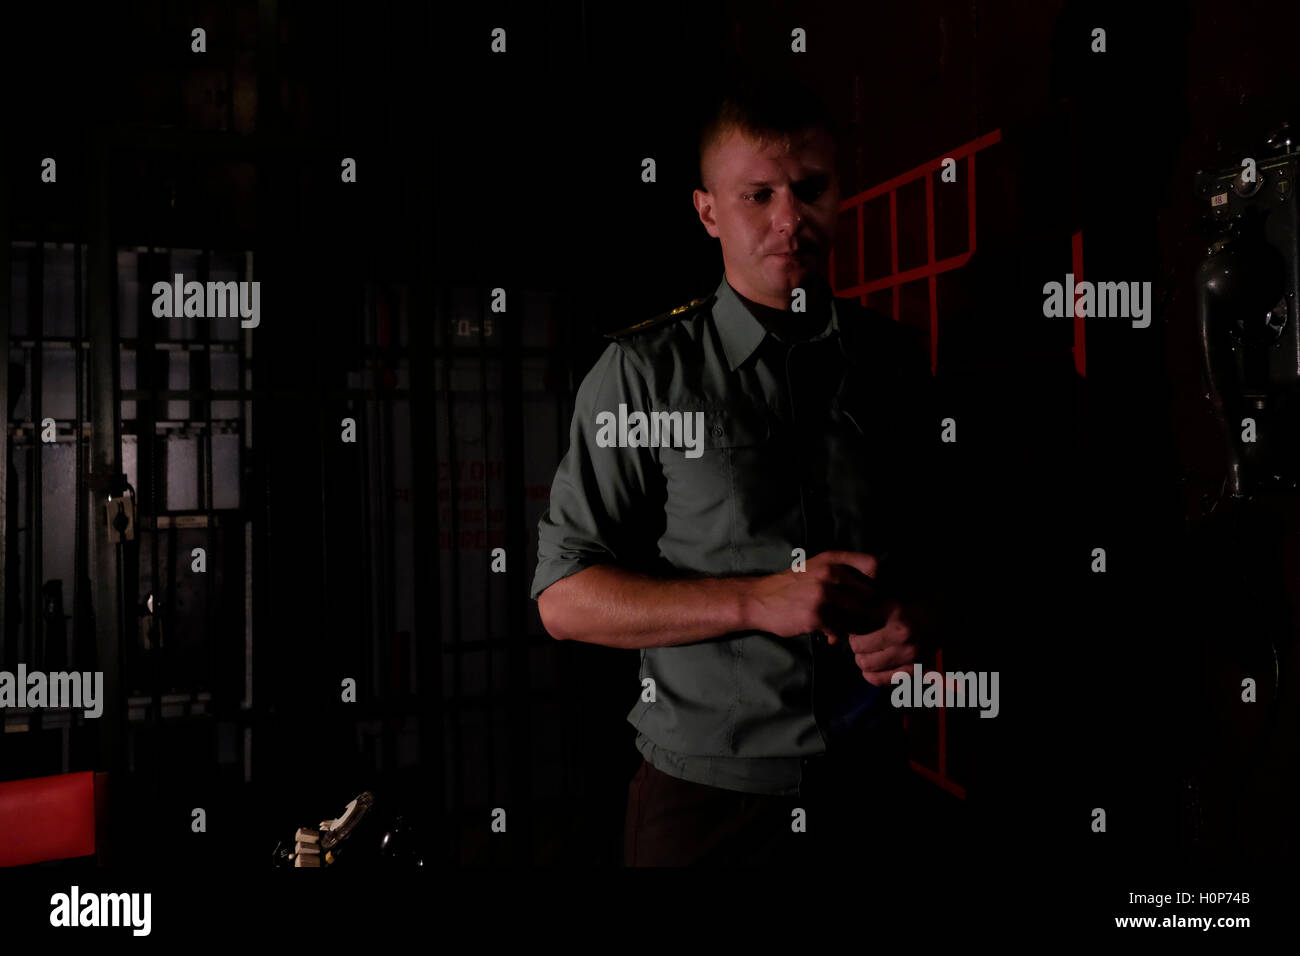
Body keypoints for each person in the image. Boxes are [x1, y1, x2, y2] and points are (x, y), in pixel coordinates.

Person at [530, 71, 950, 867]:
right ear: (707, 211)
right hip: (706, 804)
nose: (789, 219)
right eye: (757, 195)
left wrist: (923, 611)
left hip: (870, 783)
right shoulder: (642, 374)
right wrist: (758, 600)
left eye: (810, 189)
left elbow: (945, 540)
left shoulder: (891, 362)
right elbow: (563, 599)